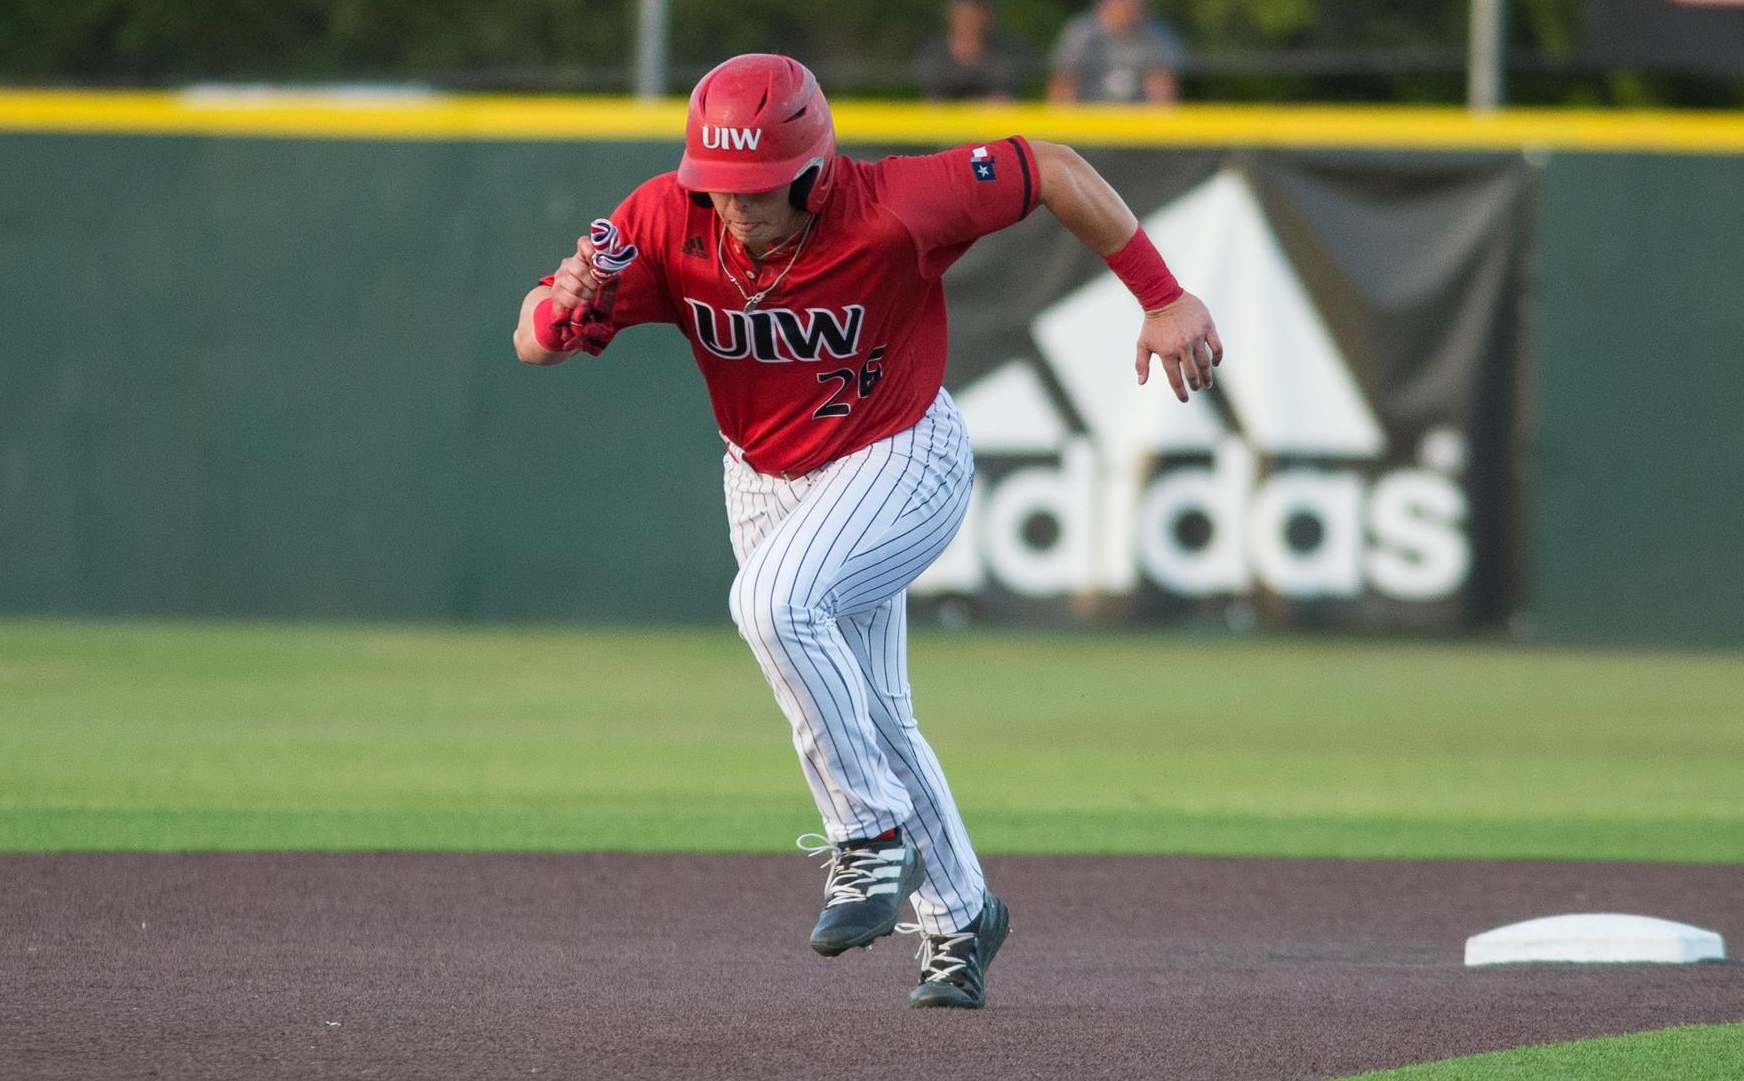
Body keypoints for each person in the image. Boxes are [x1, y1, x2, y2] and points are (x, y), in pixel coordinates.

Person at [512, 53, 1220, 1010]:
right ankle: (963, 915)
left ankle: (869, 835)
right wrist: (560, 309)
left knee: (773, 603)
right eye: (717, 186)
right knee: (873, 709)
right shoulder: (661, 219)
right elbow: (534, 336)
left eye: (757, 189)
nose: (734, 208)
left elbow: (1050, 166)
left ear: (811, 171)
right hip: (761, 478)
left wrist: (1162, 293)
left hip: (901, 453)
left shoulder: (895, 204)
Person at [1048, 0, 1187, 105]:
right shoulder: (1081, 33)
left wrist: (1158, 133)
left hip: (1138, 126)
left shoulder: (1156, 34)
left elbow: (1161, 89)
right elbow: (1064, 85)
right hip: (1089, 123)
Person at [916, 0, 1028, 102]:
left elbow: (1004, 98)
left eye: (976, 13)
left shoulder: (1003, 54)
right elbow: (933, 100)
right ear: (952, 14)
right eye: (964, 13)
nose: (970, 20)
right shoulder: (935, 54)